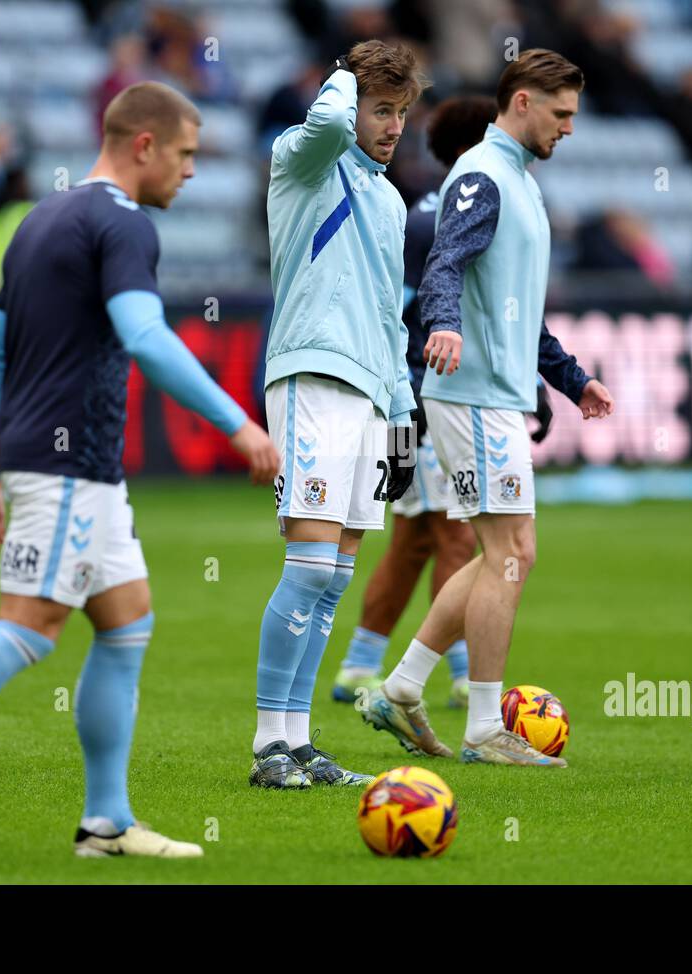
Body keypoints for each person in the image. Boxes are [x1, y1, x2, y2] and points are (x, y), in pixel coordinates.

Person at [0, 81, 279, 862]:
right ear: (143, 145)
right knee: (29, 628)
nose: (191, 172)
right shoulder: (123, 224)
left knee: (126, 621)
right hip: (68, 465)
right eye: (184, 155)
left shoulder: (40, 220)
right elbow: (144, 336)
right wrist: (238, 424)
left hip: (74, 471)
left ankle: (106, 821)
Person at [362, 50, 613, 766]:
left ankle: (402, 688)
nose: (569, 129)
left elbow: (518, 312)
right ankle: (481, 728)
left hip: (492, 395)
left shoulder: (520, 182)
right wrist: (441, 321)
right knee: (511, 555)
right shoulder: (482, 173)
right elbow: (445, 264)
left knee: (499, 553)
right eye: (561, 114)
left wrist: (572, 379)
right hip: (470, 395)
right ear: (524, 101)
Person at [250, 41, 427, 790]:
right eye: (381, 110)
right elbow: (326, 125)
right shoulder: (303, 158)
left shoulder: (389, 199)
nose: (393, 126)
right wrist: (347, 79)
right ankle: (267, 746)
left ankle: (299, 741)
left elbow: (392, 318)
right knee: (310, 563)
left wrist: (403, 418)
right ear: (347, 100)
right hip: (311, 377)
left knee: (334, 577)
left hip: (367, 393)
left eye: (401, 113)